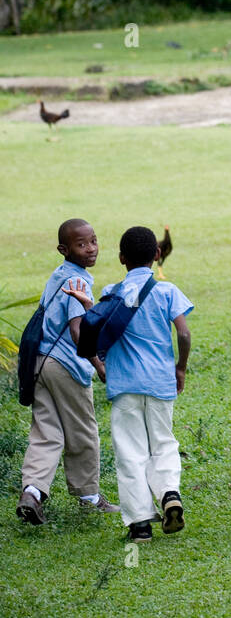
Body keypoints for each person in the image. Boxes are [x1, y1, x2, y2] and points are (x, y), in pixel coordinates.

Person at [68, 226, 193, 542]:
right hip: (161, 382)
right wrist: (180, 367)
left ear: (121, 258)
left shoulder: (113, 290)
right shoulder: (167, 292)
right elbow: (184, 333)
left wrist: (87, 305)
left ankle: (139, 526)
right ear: (157, 255)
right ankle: (168, 495)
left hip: (124, 385)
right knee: (163, 442)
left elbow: (98, 324)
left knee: (130, 451)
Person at [16, 219, 120, 524]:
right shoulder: (79, 282)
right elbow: (78, 331)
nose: (90, 249)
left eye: (94, 241)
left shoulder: (58, 275)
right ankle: (89, 496)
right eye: (81, 244)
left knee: (46, 433)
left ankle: (32, 493)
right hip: (64, 365)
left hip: (39, 362)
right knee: (83, 431)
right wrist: (99, 366)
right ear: (64, 249)